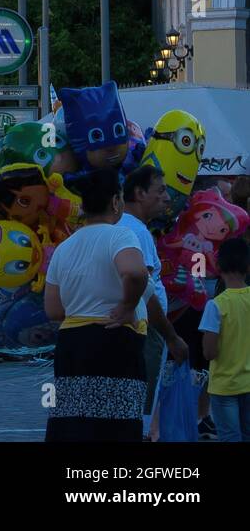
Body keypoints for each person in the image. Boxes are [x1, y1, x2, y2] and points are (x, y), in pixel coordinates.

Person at [42, 167, 151, 441]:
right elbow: (136, 272)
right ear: (116, 201)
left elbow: (53, 310)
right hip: (114, 341)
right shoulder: (120, 236)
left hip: (71, 347)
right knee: (117, 427)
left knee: (74, 426)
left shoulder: (64, 248)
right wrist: (128, 306)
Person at [118, 166, 190, 433]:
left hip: (132, 330)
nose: (168, 198)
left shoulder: (123, 227)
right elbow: (144, 292)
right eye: (160, 191)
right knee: (141, 409)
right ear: (139, 193)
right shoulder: (137, 232)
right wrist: (170, 336)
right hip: (144, 331)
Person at [200, 237, 250, 441]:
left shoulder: (216, 305)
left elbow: (209, 352)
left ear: (218, 266)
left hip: (224, 386)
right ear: (248, 266)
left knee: (229, 437)